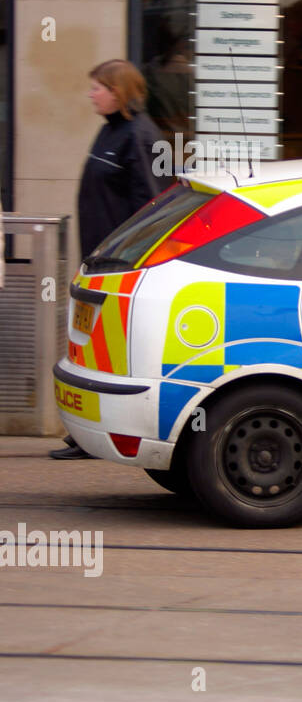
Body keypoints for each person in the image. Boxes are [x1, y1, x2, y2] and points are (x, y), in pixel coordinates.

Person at [52, 59, 164, 460]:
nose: (91, 94)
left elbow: (150, 206)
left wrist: (131, 263)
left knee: (109, 357)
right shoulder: (110, 131)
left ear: (119, 92)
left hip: (119, 270)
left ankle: (98, 436)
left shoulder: (139, 136)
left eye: (98, 87)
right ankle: (86, 433)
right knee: (89, 352)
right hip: (98, 263)